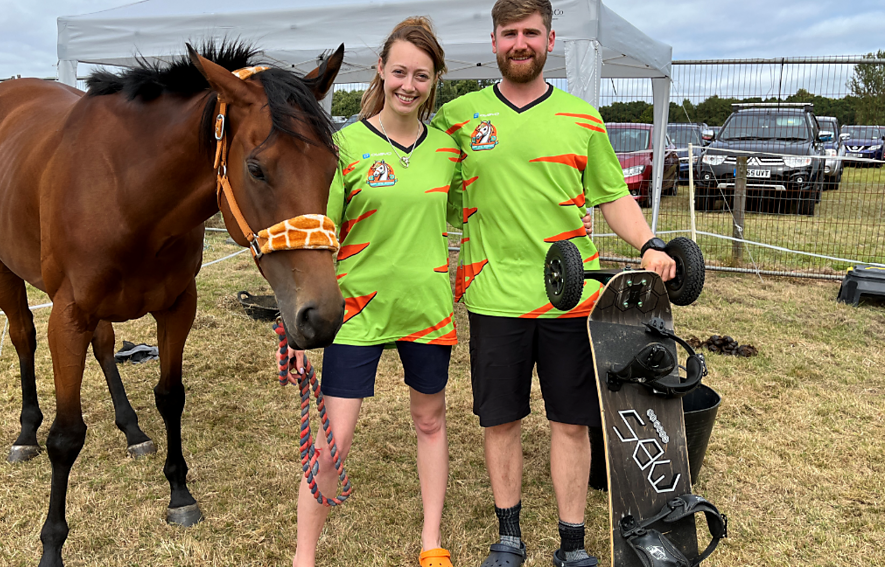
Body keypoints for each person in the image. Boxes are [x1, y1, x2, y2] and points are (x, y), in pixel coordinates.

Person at [429, 1, 677, 566]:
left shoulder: (581, 118)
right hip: (494, 299)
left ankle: (573, 544)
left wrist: (649, 243)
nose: (520, 43)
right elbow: (429, 190)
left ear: (550, 40)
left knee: (572, 423)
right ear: (493, 41)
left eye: (531, 33)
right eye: (509, 33)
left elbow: (612, 195)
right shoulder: (457, 118)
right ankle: (508, 537)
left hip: (572, 301)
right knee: (501, 422)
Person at [290, 16, 460, 567]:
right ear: (381, 70)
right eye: (400, 72)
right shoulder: (343, 146)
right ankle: (304, 558)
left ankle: (431, 543)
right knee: (332, 443)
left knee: (430, 422)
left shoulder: (449, 151)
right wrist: (294, 329)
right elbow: (319, 238)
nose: (409, 85)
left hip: (426, 311)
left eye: (422, 76)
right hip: (356, 313)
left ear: (434, 81)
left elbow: (475, 213)